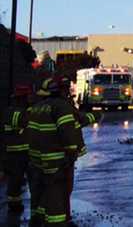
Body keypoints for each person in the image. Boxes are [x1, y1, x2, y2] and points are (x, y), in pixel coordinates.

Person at [26, 77, 85, 227]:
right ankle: (58, 222)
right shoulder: (61, 107)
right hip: (56, 160)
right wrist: (72, 153)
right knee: (57, 193)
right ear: (61, 91)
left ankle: (38, 219)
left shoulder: (38, 107)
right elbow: (68, 132)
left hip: (37, 159)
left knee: (40, 191)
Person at [2, 84, 33, 215]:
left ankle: (16, 203)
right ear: (22, 98)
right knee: (17, 180)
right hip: (17, 153)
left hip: (19, 152)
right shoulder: (17, 113)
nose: (29, 99)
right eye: (27, 97)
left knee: (20, 179)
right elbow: (23, 122)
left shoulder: (10, 111)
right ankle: (14, 204)